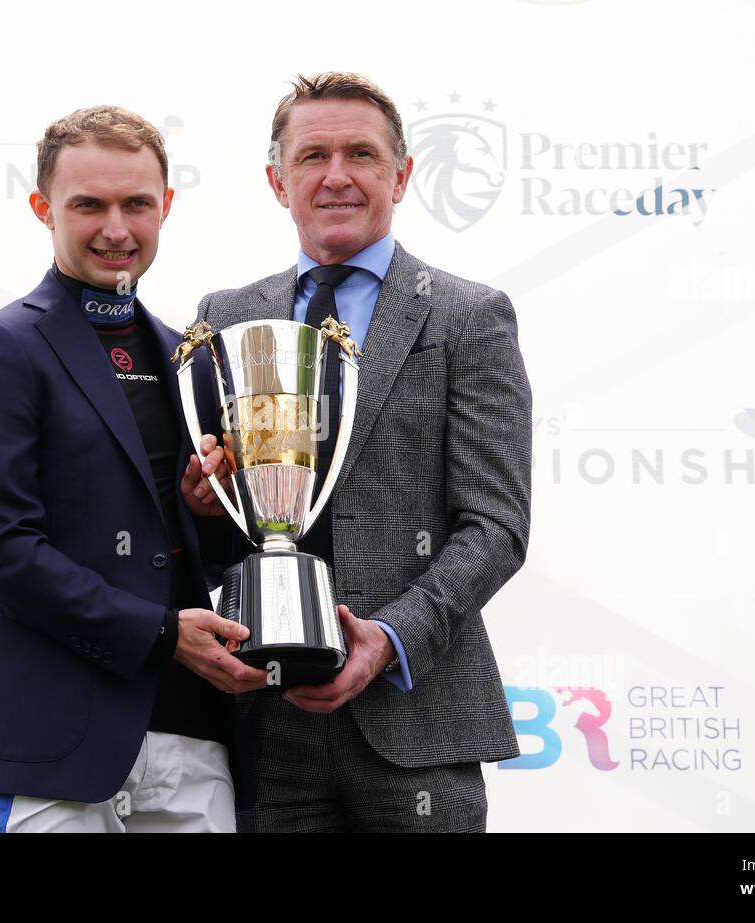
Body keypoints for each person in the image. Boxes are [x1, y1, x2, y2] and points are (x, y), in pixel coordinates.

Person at [188, 73, 532, 832]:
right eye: (312, 156)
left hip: (418, 719)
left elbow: (496, 525)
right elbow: (222, 539)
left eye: (361, 155)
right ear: (278, 181)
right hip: (265, 726)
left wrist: (391, 638)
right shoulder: (226, 317)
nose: (335, 176)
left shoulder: (470, 317)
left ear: (401, 174)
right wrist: (203, 506)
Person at [0, 105, 267, 833]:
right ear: (43, 209)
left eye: (137, 204)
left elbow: (195, 560)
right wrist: (156, 633)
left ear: (166, 207)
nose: (117, 228)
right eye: (89, 204)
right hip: (49, 744)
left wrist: (209, 517)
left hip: (192, 741)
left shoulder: (193, 360)